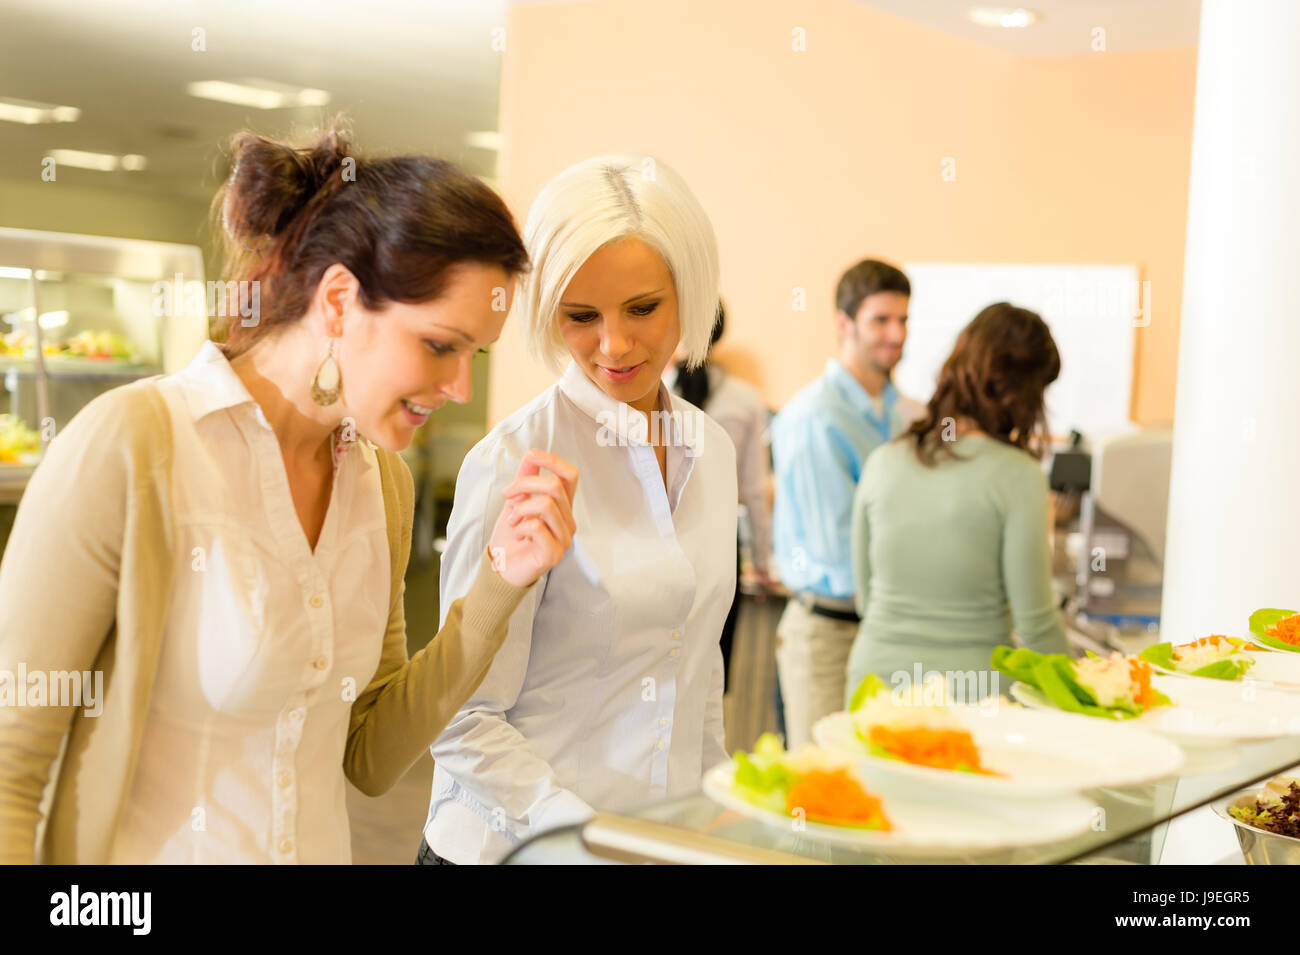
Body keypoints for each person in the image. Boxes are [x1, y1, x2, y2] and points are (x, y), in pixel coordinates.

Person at [0, 127, 578, 864]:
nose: (460, 387)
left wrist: (500, 580)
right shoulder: (135, 445)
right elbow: (12, 763)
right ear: (338, 299)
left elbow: (368, 752)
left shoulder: (382, 487)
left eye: (476, 354)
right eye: (440, 345)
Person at [420, 154, 736, 865]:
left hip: (653, 846)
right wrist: (586, 839)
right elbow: (461, 717)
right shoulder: (512, 462)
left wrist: (712, 808)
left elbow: (697, 667)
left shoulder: (711, 450)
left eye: (643, 309)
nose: (614, 344)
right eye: (581, 315)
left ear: (689, 291)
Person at [845, 302, 1070, 704]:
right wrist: (1088, 696)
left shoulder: (883, 461)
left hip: (872, 690)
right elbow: (1036, 625)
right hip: (971, 699)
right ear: (1023, 394)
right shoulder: (1019, 476)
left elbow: (865, 597)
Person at [769, 258, 923, 748]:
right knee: (825, 787)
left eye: (903, 320)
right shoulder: (816, 418)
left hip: (882, 628)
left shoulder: (900, 415)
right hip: (829, 634)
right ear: (844, 324)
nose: (895, 334)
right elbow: (841, 554)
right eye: (880, 320)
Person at [665, 301, 774, 691]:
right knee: (709, 672)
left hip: (661, 536)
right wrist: (762, 562)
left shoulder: (645, 390)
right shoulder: (745, 399)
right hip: (720, 544)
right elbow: (754, 493)